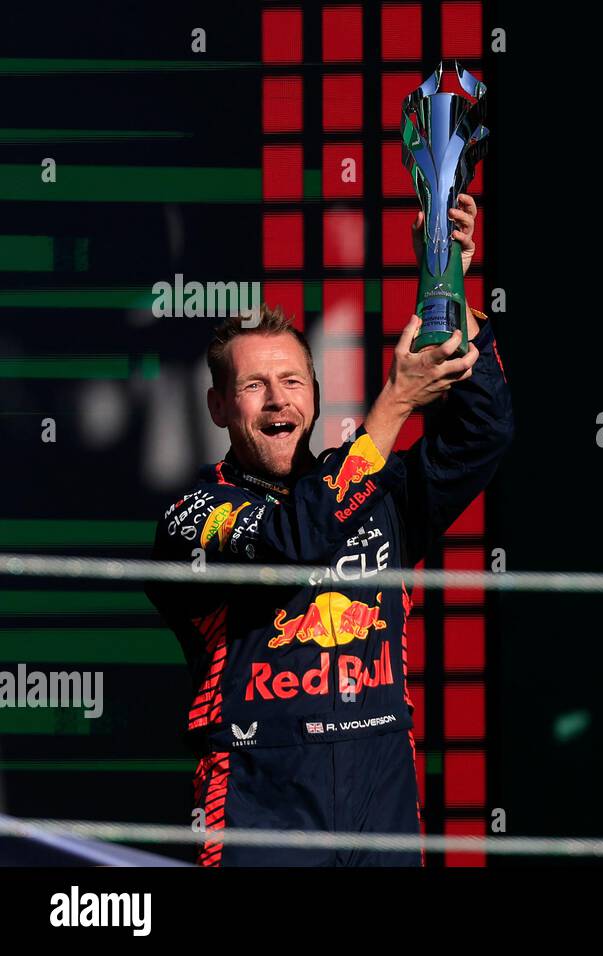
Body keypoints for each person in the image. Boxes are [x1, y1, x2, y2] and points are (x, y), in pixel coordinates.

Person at [146, 197, 513, 866]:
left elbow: (483, 434)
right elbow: (294, 539)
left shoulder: (382, 493)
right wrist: (395, 402)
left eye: (291, 381)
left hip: (382, 797)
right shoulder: (194, 516)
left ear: (315, 393)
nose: (279, 400)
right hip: (261, 802)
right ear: (219, 406)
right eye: (254, 386)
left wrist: (447, 286)